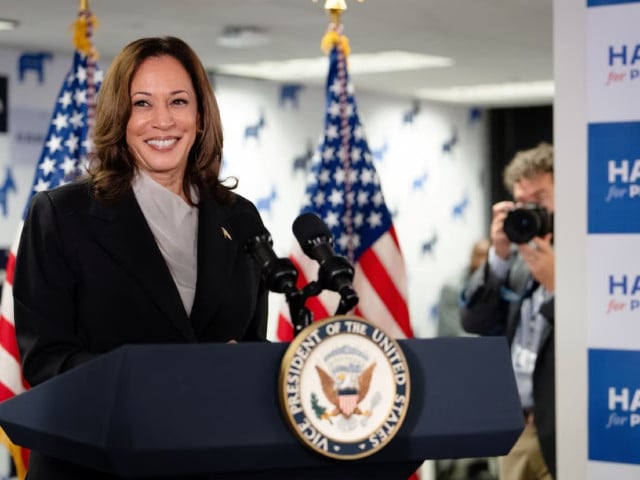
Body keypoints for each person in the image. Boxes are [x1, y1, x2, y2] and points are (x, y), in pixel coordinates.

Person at [12, 36, 269, 479]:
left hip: (210, 463)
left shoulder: (240, 217)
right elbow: (46, 361)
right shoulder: (60, 214)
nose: (163, 120)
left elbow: (248, 344)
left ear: (201, 115)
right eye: (143, 103)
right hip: (95, 465)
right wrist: (168, 375)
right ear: (119, 116)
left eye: (179, 101)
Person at [460, 142, 555, 480]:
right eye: (521, 203)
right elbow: (474, 320)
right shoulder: (514, 262)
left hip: (566, 427)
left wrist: (558, 286)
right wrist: (498, 255)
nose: (528, 211)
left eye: (539, 201)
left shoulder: (589, 254)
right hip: (518, 426)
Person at [436, 237, 490, 338]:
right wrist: (488, 342)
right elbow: (451, 333)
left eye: (487, 255)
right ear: (471, 257)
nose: (483, 260)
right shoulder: (452, 288)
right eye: (479, 254)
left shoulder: (500, 285)